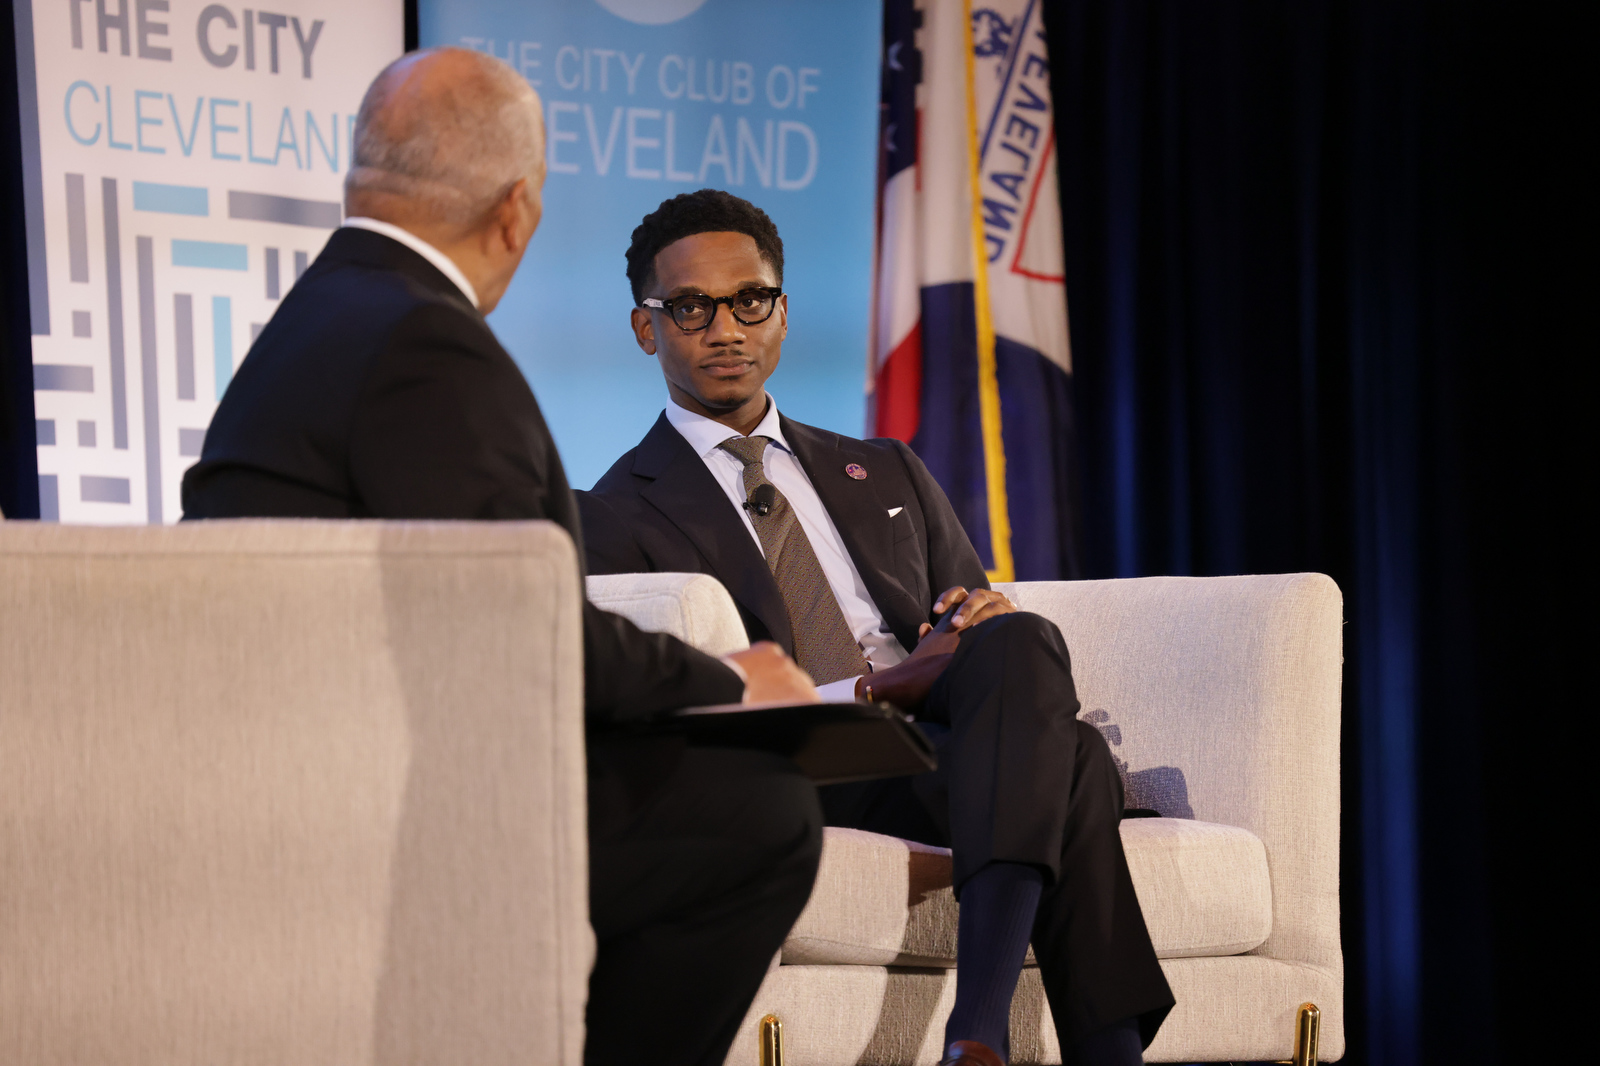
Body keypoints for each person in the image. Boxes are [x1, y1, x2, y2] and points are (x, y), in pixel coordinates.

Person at [181, 52, 824, 1066]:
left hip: (298, 759)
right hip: (381, 799)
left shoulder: (320, 319)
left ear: (362, 178)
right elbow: (519, 638)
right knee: (762, 816)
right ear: (518, 210)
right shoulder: (421, 345)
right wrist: (728, 682)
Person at [579, 190, 1176, 1066]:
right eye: (691, 308)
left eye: (750, 300)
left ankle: (977, 1037)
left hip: (941, 750)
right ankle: (1009, 1031)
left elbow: (974, 623)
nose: (725, 328)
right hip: (806, 766)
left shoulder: (883, 467)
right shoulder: (610, 513)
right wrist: (870, 688)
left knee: (1018, 647)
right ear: (647, 329)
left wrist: (979, 629)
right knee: (1073, 761)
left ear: (781, 312)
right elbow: (667, 711)